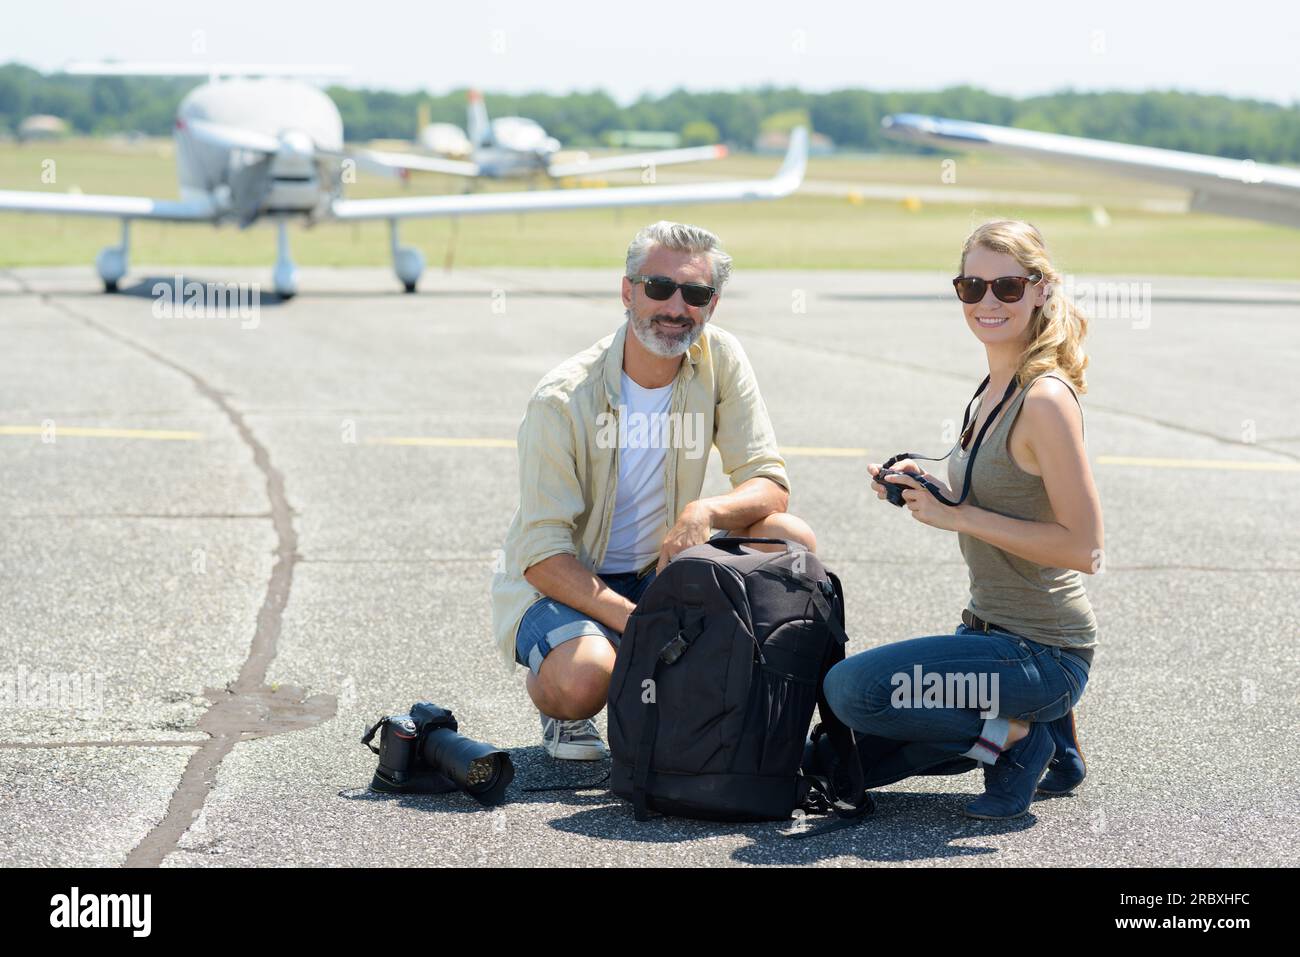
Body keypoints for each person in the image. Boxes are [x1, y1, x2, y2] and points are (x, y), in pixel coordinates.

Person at [491, 221, 816, 760]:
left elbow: (769, 482)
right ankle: (567, 695)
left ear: (712, 304)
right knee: (581, 681)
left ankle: (766, 694)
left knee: (787, 536)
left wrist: (704, 510)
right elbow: (542, 556)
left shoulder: (721, 357)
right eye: (659, 288)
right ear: (628, 292)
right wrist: (640, 624)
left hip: (661, 570)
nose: (676, 307)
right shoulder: (561, 399)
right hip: (564, 581)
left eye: (695, 293)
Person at [823, 219, 1101, 820]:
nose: (987, 302)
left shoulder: (1045, 400)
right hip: (988, 635)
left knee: (853, 693)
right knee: (834, 758)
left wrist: (960, 518)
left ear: (1041, 290)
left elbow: (1085, 547)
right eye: (971, 287)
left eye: (1007, 287)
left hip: (1043, 652)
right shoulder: (992, 386)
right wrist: (919, 484)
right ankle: (1056, 747)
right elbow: (978, 490)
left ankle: (1025, 740)